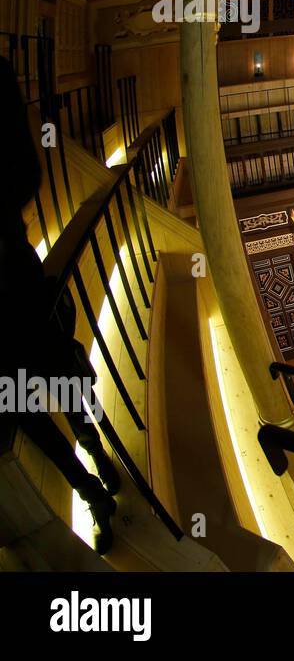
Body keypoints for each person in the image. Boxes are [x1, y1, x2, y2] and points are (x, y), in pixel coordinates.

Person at [0, 59, 118, 554]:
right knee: (31, 407)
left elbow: (26, 174)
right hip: (17, 293)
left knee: (53, 388)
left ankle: (95, 464)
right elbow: (28, 173)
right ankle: (94, 487)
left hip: (17, 287)